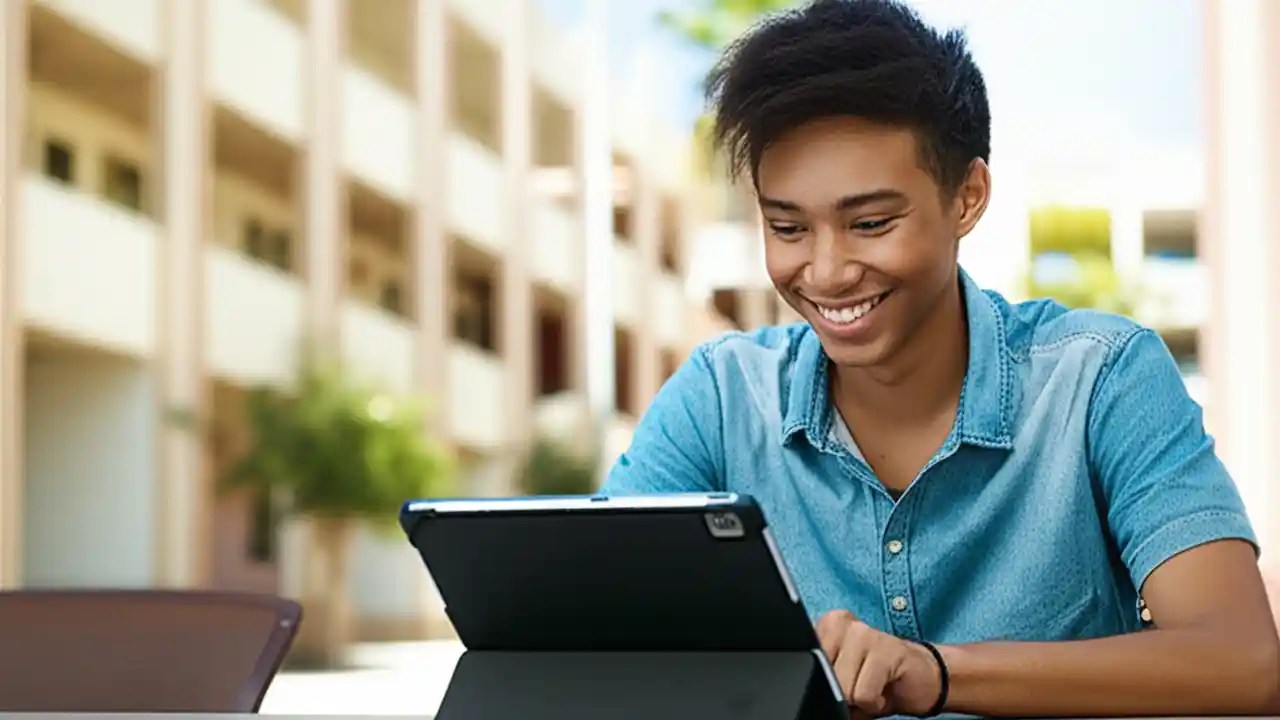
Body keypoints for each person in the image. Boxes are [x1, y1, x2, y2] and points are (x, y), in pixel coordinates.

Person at [600, 0, 1280, 716]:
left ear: (968, 197)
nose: (826, 272)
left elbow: (1242, 661)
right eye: (787, 227)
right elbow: (580, 625)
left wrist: (938, 673)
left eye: (870, 224)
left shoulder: (1101, 379)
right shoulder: (719, 398)